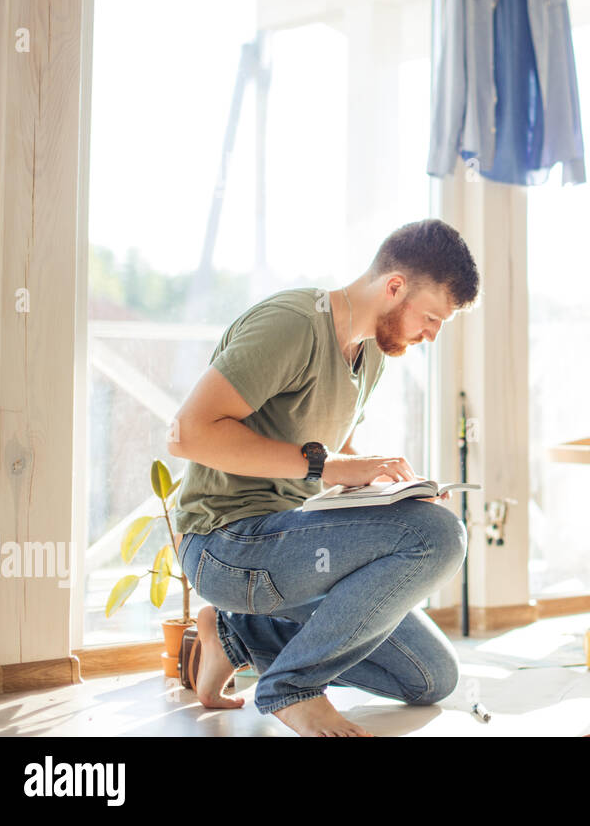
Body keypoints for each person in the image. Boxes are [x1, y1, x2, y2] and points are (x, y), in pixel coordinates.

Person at [168, 218, 480, 735]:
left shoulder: (372, 352)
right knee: (443, 537)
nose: (431, 334)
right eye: (430, 317)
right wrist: (329, 466)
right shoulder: (291, 324)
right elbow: (186, 433)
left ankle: (233, 634)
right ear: (394, 286)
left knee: (432, 678)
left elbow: (327, 445)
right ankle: (291, 686)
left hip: (294, 545)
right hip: (225, 544)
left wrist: (387, 489)